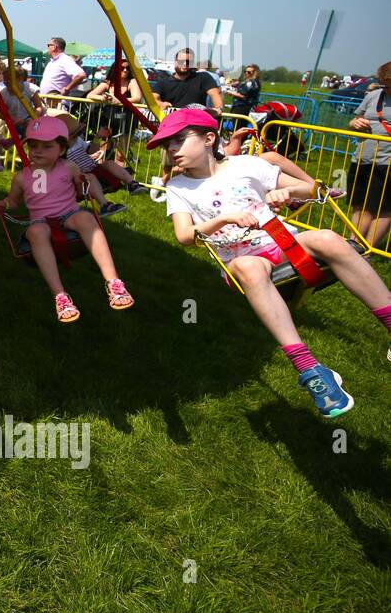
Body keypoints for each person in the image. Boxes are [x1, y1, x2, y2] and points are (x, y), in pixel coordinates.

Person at [151, 106, 391, 419]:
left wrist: (287, 192)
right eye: (167, 143)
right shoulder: (178, 187)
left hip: (281, 238)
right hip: (239, 255)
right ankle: (310, 368)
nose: (171, 149)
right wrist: (223, 219)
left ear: (209, 138)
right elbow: (184, 235)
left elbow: (310, 189)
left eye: (179, 140)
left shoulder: (247, 165)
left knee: (330, 238)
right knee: (250, 268)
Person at [0, 114, 134, 322]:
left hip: (69, 213)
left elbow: (80, 189)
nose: (38, 151)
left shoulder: (68, 167)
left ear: (62, 150)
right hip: (40, 220)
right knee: (34, 232)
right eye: (34, 146)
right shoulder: (22, 177)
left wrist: (83, 184)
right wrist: (4, 204)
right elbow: (13, 201)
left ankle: (114, 282)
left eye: (47, 146)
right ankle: (61, 296)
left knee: (86, 218)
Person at [346, 61, 391, 249]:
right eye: (384, 84)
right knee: (360, 204)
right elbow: (355, 118)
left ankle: (369, 249)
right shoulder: (373, 96)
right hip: (363, 158)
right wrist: (355, 123)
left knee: (384, 208)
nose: (386, 89)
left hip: (387, 162)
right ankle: (353, 245)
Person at [152, 47, 223, 112]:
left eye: (188, 61)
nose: (185, 63)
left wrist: (218, 109)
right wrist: (160, 104)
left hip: (195, 123)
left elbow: (215, 94)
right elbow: (153, 98)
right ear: (175, 61)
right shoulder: (163, 82)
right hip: (171, 123)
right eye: (181, 61)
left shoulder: (203, 77)